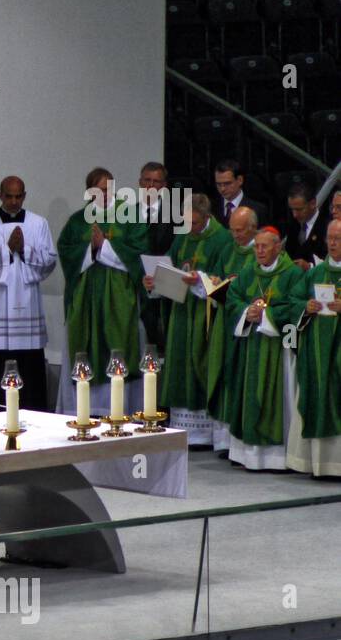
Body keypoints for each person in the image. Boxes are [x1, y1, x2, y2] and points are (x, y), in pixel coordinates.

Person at [55, 167, 148, 416]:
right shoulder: (78, 220)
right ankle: (87, 410)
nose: (105, 195)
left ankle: (121, 409)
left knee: (118, 345)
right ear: (89, 191)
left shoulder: (130, 216)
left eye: (108, 189)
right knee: (84, 345)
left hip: (119, 297)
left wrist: (105, 246)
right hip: (85, 298)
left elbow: (140, 252)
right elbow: (65, 250)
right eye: (99, 190)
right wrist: (91, 250)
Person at [144, 195, 233, 447]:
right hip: (181, 313)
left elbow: (223, 280)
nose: (190, 227)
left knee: (199, 363)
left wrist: (200, 279)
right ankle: (182, 428)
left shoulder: (222, 239)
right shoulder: (182, 236)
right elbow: (170, 267)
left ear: (207, 217)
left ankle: (203, 434)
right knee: (179, 364)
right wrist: (155, 282)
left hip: (205, 315)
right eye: (186, 222)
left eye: (194, 222)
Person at [0, 176, 56, 410]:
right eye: (9, 196)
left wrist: (24, 249)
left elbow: (49, 262)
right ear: (0, 195)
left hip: (27, 306)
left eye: (18, 196)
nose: (14, 201)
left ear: (24, 196)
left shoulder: (39, 224)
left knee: (29, 373)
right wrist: (7, 249)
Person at [223, 227, 307, 470]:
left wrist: (267, 315)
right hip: (252, 348)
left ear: (278, 247)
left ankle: (278, 458)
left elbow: (295, 306)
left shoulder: (291, 273)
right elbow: (233, 298)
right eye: (256, 246)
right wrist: (245, 312)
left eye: (265, 246)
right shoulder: (249, 272)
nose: (259, 251)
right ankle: (247, 454)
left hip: (279, 348)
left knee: (278, 397)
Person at [287, 219, 341, 476]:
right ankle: (317, 464)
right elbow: (293, 299)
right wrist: (306, 307)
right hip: (316, 351)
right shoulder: (315, 273)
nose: (332, 243)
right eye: (330, 238)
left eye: (338, 239)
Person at [209, 206, 262, 452]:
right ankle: (224, 440)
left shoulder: (262, 251)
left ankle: (241, 442)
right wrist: (216, 283)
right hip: (226, 321)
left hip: (251, 326)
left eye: (240, 230)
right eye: (232, 230)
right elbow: (216, 278)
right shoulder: (227, 249)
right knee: (225, 374)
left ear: (253, 228)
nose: (235, 235)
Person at [138, 162, 175, 351]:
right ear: (140, 182)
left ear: (164, 186)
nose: (151, 186)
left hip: (164, 290)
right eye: (147, 181)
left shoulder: (176, 215)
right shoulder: (127, 214)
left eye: (156, 182)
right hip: (136, 289)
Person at [211, 159, 269, 228]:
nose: (222, 189)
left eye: (227, 183)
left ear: (240, 180)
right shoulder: (210, 208)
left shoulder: (258, 210)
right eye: (219, 184)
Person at [283, 183, 325, 269]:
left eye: (299, 209)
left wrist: (310, 266)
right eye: (292, 209)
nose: (294, 215)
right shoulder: (292, 224)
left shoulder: (327, 226)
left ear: (313, 203)